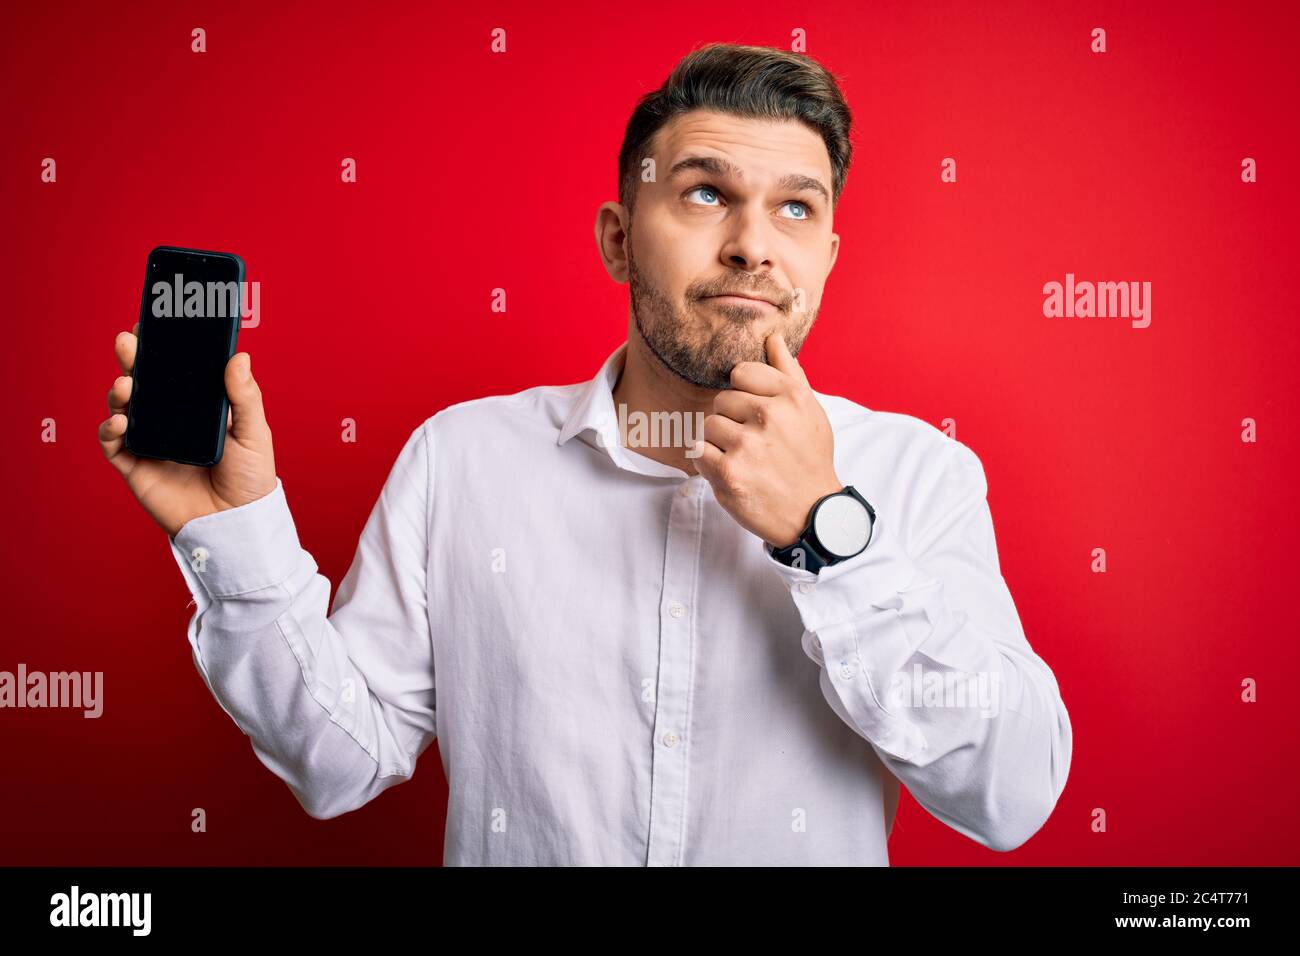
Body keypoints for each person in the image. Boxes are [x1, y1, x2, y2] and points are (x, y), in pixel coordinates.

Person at [98, 42, 1072, 866]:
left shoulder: (917, 475)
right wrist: (233, 533)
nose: (752, 246)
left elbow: (1011, 793)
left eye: (794, 209)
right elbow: (335, 762)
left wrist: (825, 534)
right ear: (618, 239)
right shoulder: (460, 461)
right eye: (705, 193)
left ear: (825, 257)